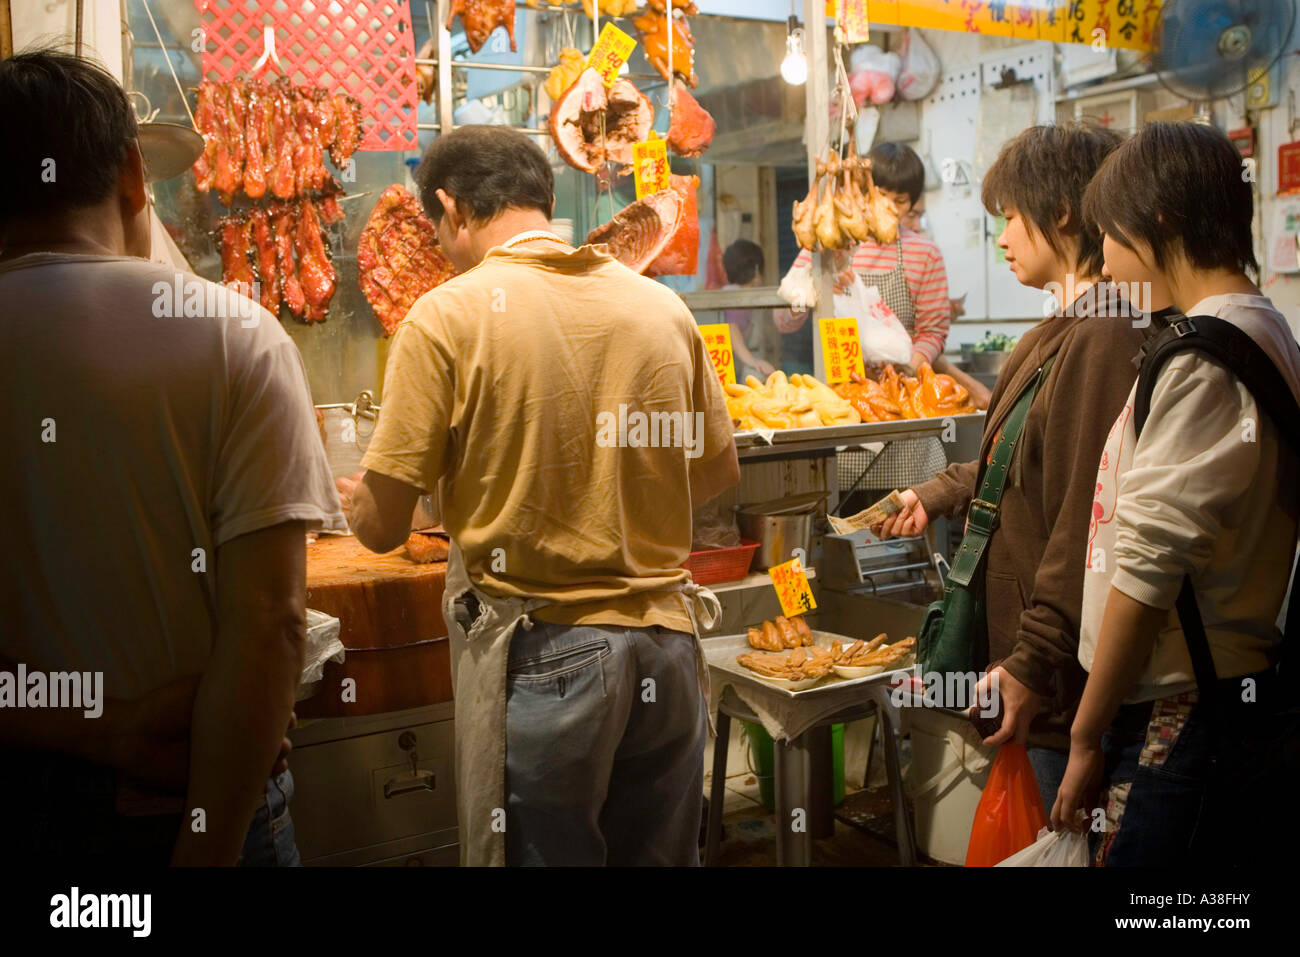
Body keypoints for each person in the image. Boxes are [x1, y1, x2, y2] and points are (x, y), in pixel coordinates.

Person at [347, 125, 739, 866]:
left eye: (438, 228)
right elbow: (718, 473)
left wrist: (350, 500)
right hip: (669, 649)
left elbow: (382, 524)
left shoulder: (447, 315)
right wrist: (620, 490)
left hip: (550, 656)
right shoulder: (661, 310)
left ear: (451, 207)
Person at [0, 49, 344, 866]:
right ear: (130, 174)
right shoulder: (233, 334)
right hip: (197, 806)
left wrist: (100, 725)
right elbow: (271, 623)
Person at [874, 123, 1150, 816]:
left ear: (1061, 213)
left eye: (1011, 218)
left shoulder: (1104, 337)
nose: (1001, 238)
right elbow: (1019, 463)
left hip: (1061, 687)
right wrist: (937, 491)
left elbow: (1082, 523)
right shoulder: (1058, 332)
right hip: (1041, 677)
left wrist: (1032, 660)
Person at [1053, 122, 1300, 864]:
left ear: (1159, 225)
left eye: (1110, 239)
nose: (1105, 264)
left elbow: (1148, 568)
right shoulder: (1260, 331)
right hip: (1204, 695)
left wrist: (1084, 735)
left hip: (1182, 708)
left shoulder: (1208, 357)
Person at [780, 142, 953, 503]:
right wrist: (816, 283)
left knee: (905, 527)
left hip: (900, 419)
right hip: (836, 409)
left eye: (901, 200)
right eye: (881, 192)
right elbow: (785, 321)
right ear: (862, 189)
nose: (889, 206)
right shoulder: (827, 241)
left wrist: (905, 373)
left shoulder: (924, 253)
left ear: (913, 202)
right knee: (838, 518)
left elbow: (933, 330)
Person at [720, 239, 781, 381]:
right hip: (737, 369)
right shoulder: (737, 297)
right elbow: (731, 329)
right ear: (756, 269)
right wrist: (754, 362)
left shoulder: (729, 293)